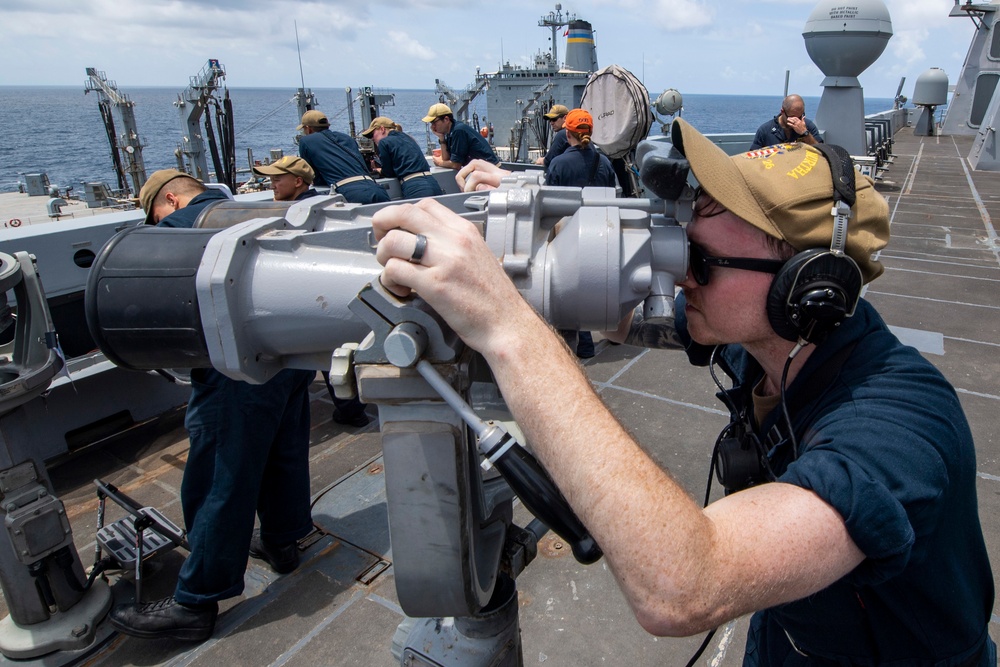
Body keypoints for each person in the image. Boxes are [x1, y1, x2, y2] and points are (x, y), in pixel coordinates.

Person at [369, 120, 996, 664]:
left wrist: (505, 326)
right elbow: (622, 313)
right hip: (793, 640)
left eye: (700, 262)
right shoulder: (774, 343)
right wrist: (534, 221)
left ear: (806, 285)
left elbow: (683, 587)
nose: (679, 276)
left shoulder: (897, 429)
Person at [108, 170, 316, 642]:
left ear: (172, 199)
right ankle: (283, 544)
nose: (160, 221)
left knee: (219, 475)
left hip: (234, 368)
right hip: (291, 348)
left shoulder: (180, 227)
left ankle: (196, 602)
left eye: (158, 212)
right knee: (284, 451)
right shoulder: (255, 212)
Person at [250, 157, 371, 428]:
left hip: (313, 294)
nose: (272, 185)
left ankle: (351, 411)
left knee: (324, 350)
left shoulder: (297, 215)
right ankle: (352, 410)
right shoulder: (316, 208)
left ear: (298, 181)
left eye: (277, 179)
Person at [545, 108, 617, 358]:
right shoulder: (605, 162)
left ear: (568, 134)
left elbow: (550, 203)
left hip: (569, 232)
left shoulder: (558, 163)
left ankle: (583, 344)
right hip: (599, 231)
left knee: (573, 288)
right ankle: (612, 330)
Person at [297, 110, 390, 204]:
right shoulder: (346, 138)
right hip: (376, 188)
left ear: (308, 129)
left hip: (352, 192)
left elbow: (311, 174)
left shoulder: (306, 141)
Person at [361, 116, 444, 199]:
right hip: (432, 182)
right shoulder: (408, 138)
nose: (372, 138)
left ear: (382, 129)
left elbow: (388, 172)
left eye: (372, 134)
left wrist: (379, 171)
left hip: (415, 187)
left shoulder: (384, 142)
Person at [422, 103, 500, 169]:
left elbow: (456, 164)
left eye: (434, 122)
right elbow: (446, 158)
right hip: (484, 169)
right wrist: (441, 138)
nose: (432, 127)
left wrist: (439, 163)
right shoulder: (451, 132)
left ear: (446, 119)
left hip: (491, 170)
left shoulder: (458, 131)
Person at [749, 94, 822, 149]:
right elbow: (753, 157)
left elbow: (821, 151)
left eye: (800, 116)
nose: (796, 121)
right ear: (782, 112)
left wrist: (805, 133)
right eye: (792, 117)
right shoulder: (765, 130)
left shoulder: (808, 126)